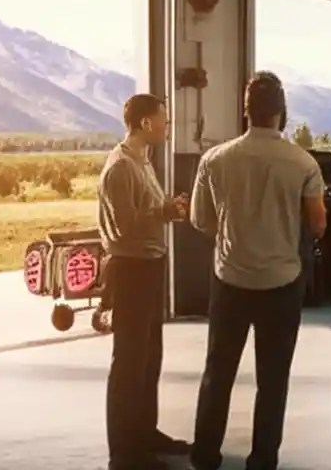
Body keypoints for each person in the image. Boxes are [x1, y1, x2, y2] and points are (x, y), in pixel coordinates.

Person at [188, 71, 327, 470]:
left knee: (218, 371)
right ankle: (262, 458)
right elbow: (317, 224)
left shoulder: (214, 159)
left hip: (230, 279)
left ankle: (205, 454)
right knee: (272, 378)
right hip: (282, 283)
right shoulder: (303, 163)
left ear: (245, 111)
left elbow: (201, 220)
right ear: (281, 112)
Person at [97, 93, 191, 470]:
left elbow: (145, 212)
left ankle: (144, 433)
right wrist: (162, 210)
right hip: (131, 270)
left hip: (151, 266)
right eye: (163, 119)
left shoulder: (144, 163)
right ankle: (124, 453)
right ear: (145, 123)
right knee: (128, 363)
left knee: (150, 358)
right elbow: (123, 224)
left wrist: (167, 209)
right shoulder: (120, 167)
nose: (168, 126)